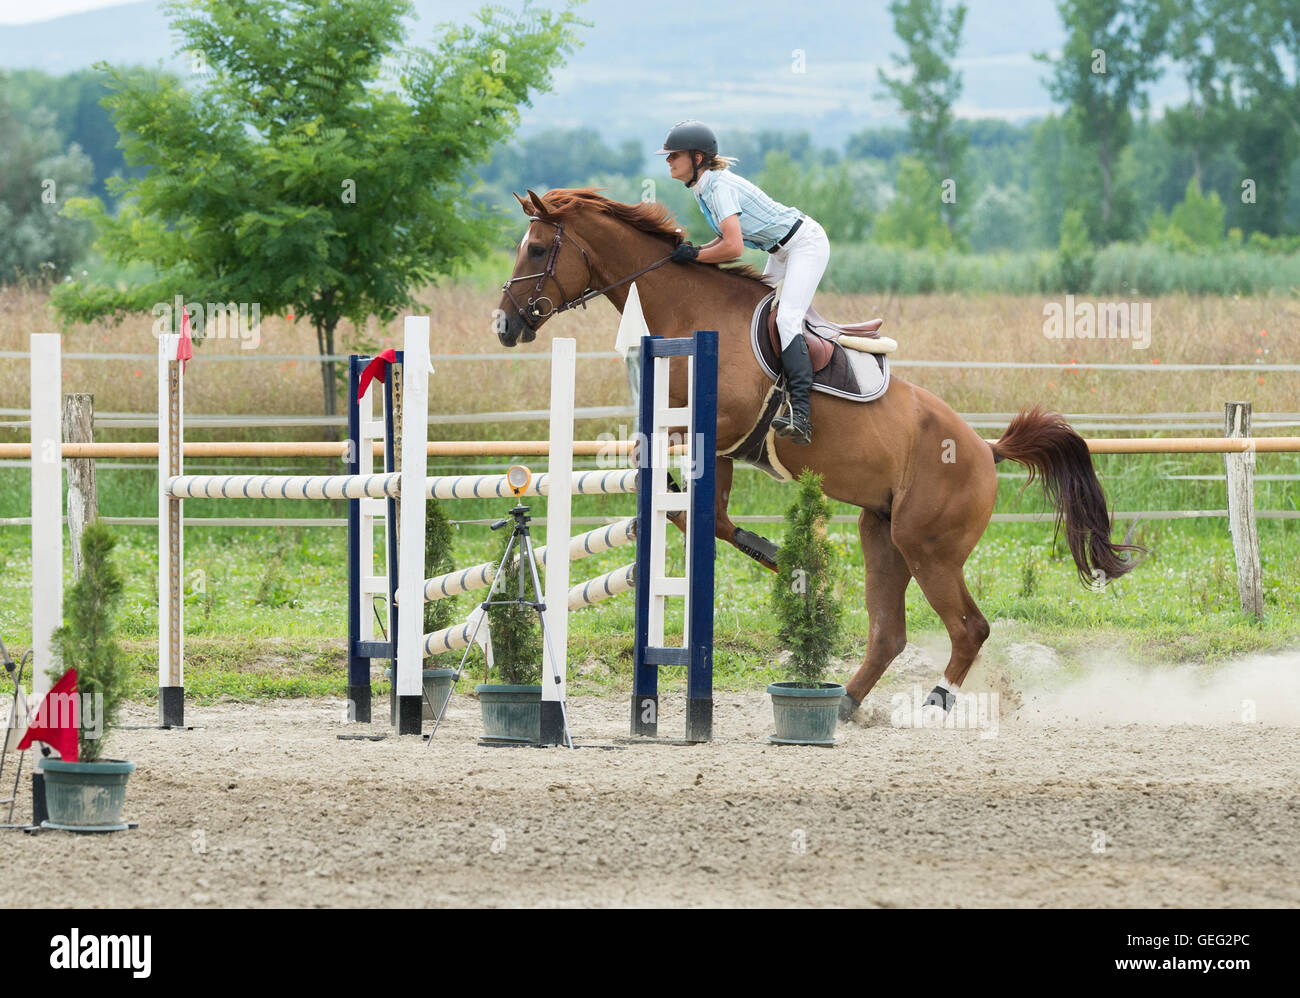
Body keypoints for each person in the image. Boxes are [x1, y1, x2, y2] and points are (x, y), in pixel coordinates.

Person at [657, 119, 828, 446]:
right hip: (778, 251)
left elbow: (734, 247)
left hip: (804, 244)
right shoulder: (703, 188)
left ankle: (802, 413)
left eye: (674, 155)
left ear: (696, 159)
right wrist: (694, 251)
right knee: (754, 314)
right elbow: (723, 240)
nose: (668, 160)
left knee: (787, 319)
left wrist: (694, 257)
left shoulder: (718, 188)